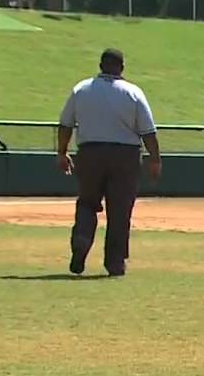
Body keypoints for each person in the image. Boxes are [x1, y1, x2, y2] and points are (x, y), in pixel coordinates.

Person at [57, 49, 161, 277]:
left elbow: (65, 124)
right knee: (120, 211)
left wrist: (62, 152)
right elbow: (148, 131)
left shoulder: (81, 89)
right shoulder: (133, 92)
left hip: (90, 153)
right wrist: (155, 159)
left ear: (100, 65)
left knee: (87, 203)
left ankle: (81, 241)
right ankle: (115, 262)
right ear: (121, 67)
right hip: (125, 157)